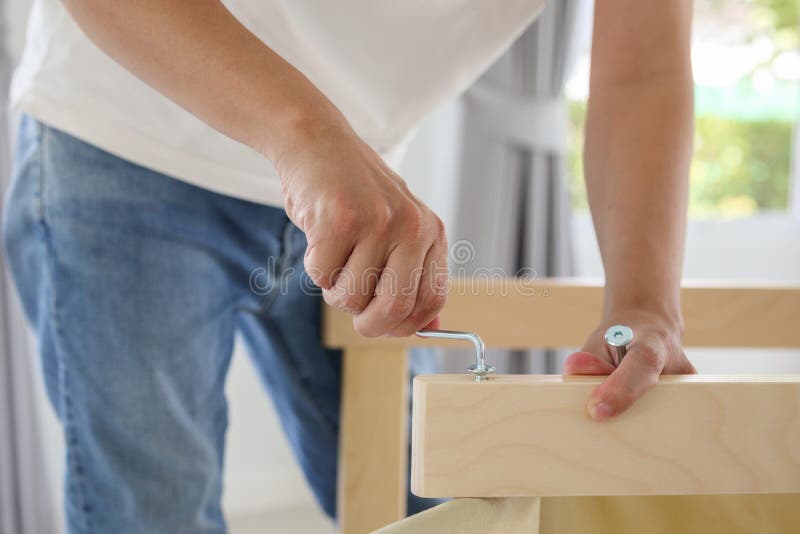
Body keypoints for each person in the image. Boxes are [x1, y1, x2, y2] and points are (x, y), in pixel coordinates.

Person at [2, 0, 695, 531]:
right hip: (128, 135)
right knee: (154, 508)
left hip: (356, 192)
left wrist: (645, 304)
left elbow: (647, 68)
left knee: (427, 499)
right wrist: (306, 133)